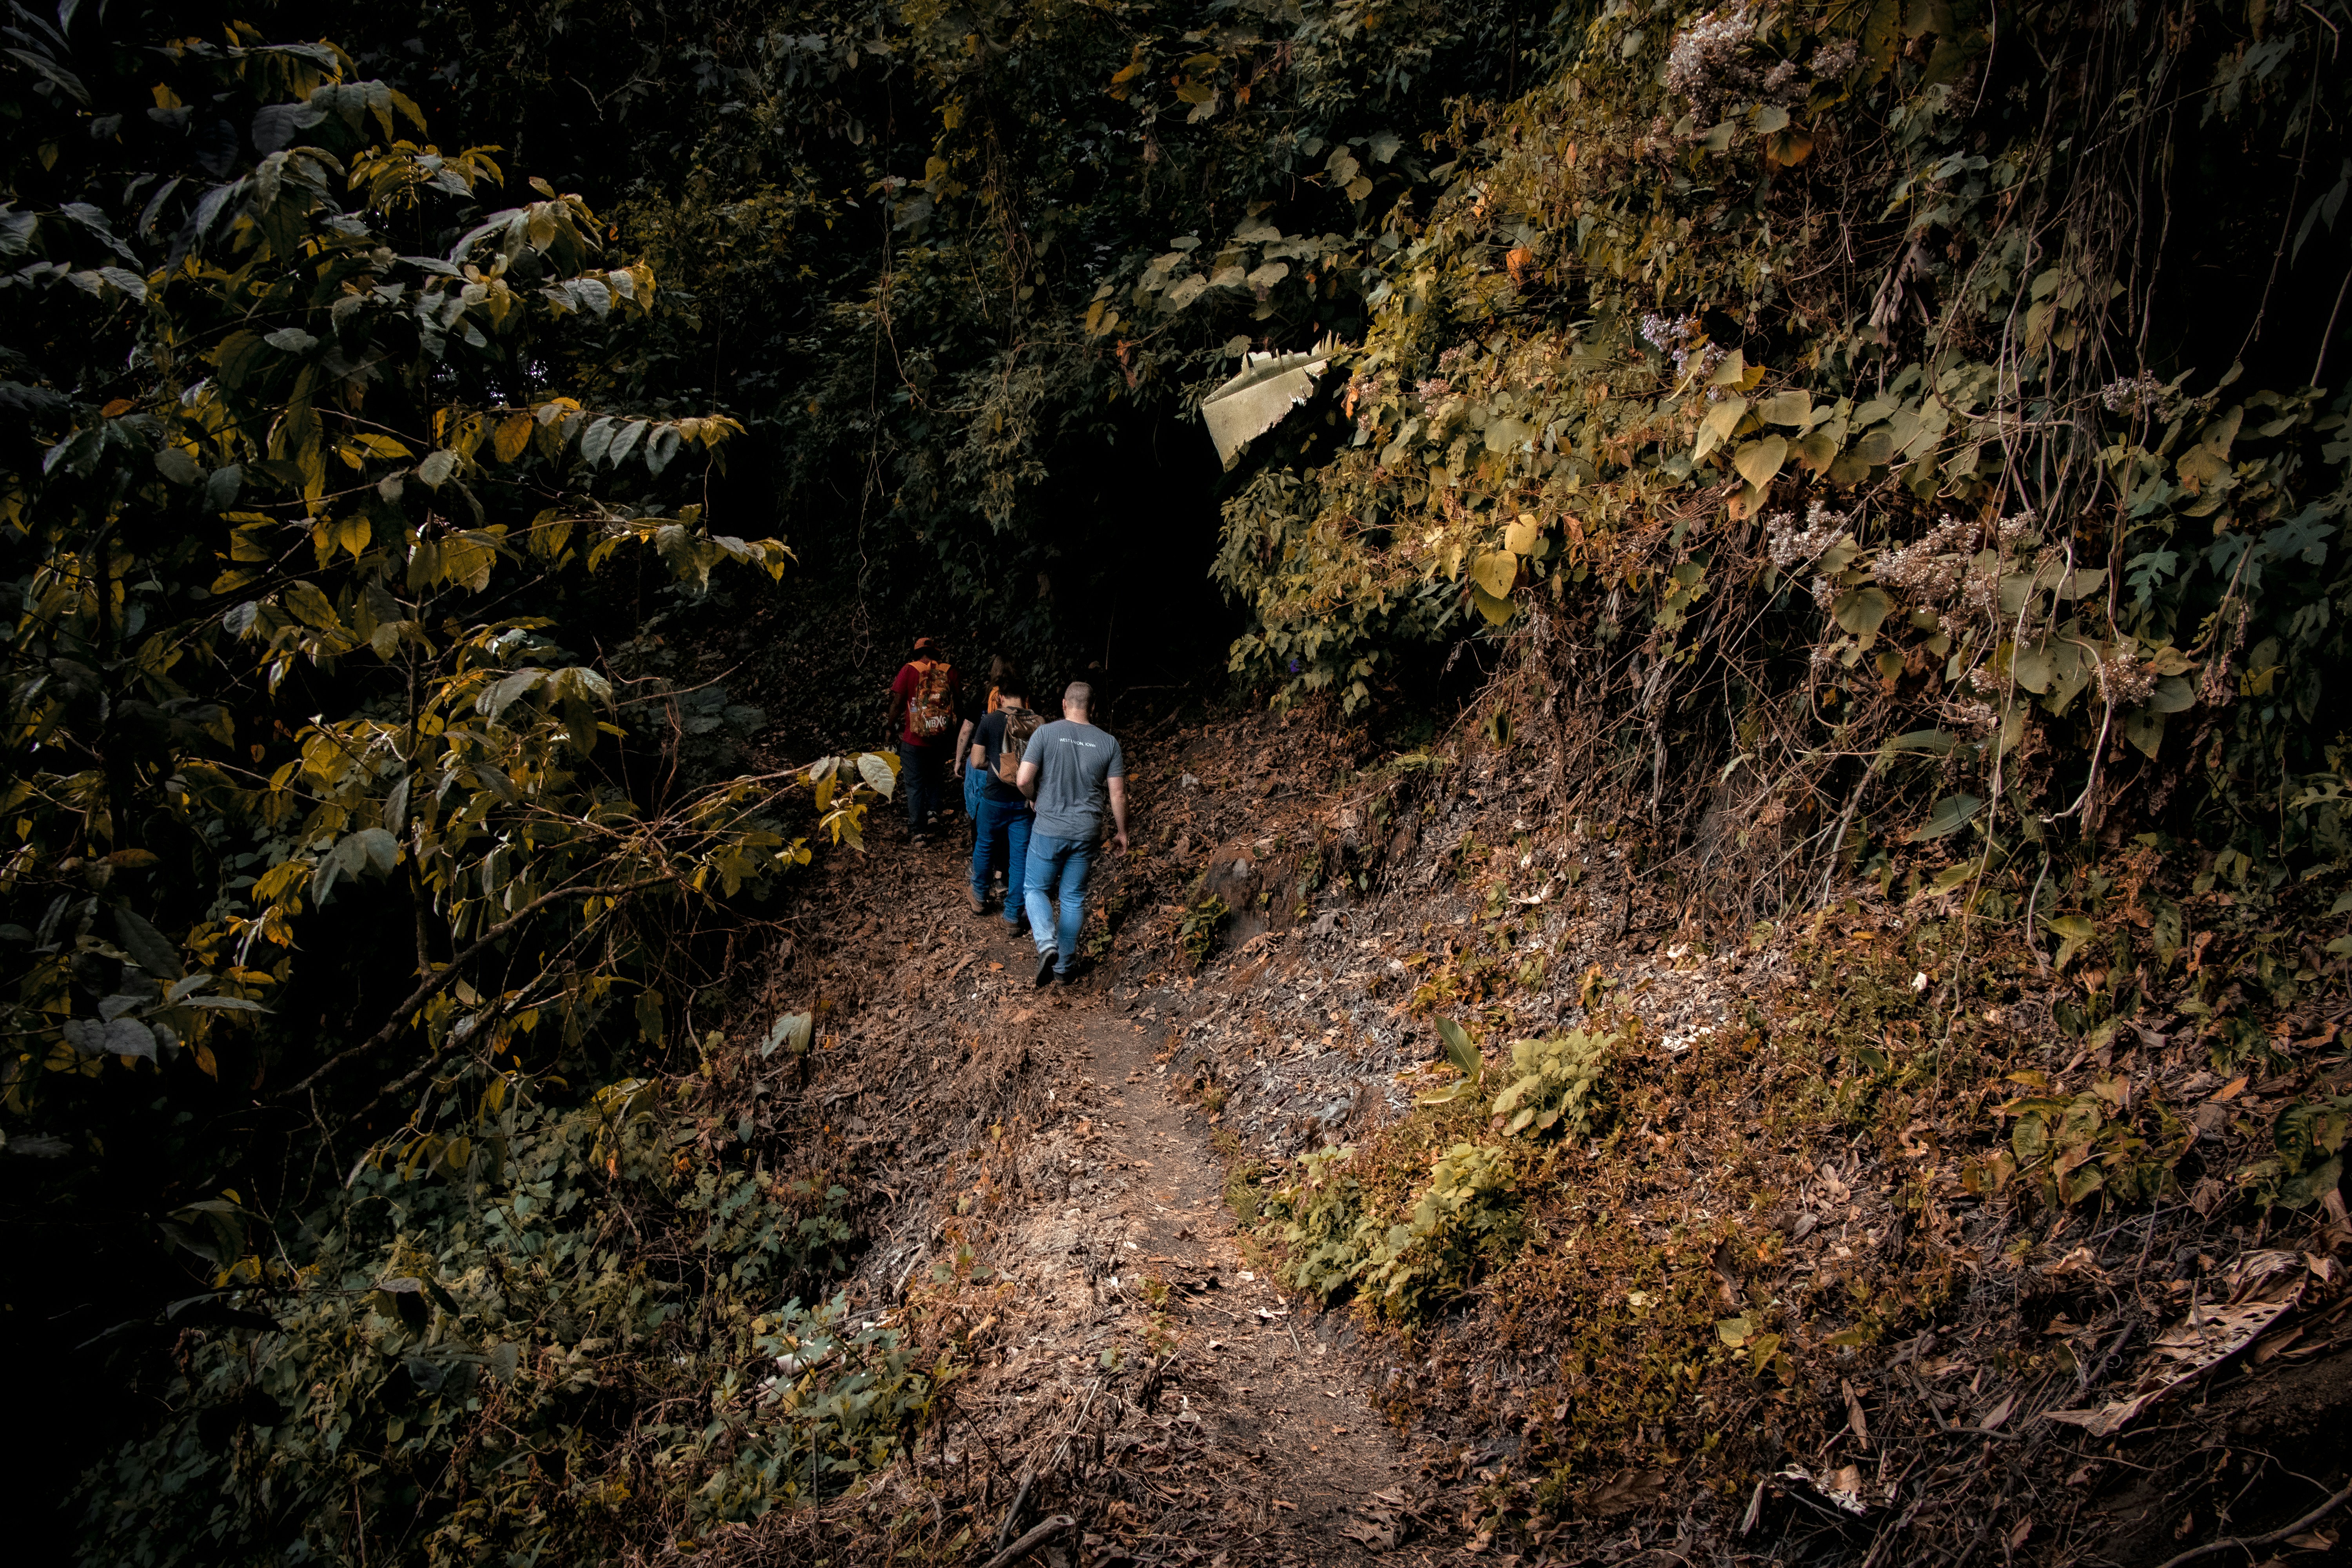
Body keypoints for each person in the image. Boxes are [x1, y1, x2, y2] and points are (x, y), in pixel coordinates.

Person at [1016, 681, 1128, 986]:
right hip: (1086, 831)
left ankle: (1047, 944)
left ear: (1065, 704)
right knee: (1073, 897)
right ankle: (1064, 967)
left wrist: (1033, 796)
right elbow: (1117, 795)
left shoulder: (1045, 733)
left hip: (1049, 828)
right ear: (1093, 708)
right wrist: (1122, 832)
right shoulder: (1109, 743)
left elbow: (1023, 778)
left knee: (1035, 889)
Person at [965, 671, 1038, 927]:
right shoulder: (1039, 722)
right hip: (1025, 801)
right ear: (1026, 698)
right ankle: (1012, 916)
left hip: (994, 797)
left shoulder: (991, 720)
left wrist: (997, 769)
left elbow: (976, 761)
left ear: (1002, 697)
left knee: (985, 844)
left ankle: (979, 897)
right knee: (1020, 856)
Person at [886, 637, 958, 841]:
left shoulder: (909, 670)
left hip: (914, 739)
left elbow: (898, 702)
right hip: (941, 737)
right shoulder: (949, 671)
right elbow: (958, 705)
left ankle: (918, 831)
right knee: (935, 777)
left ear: (916, 653)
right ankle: (933, 814)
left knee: (915, 784)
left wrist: (890, 728)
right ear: (936, 652)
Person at [953, 654, 1013, 849]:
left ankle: (982, 862)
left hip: (981, 764)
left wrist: (958, 760)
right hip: (1011, 762)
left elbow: (966, 731)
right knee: (1007, 815)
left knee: (980, 812)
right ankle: (1002, 867)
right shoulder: (1021, 696)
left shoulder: (983, 695)